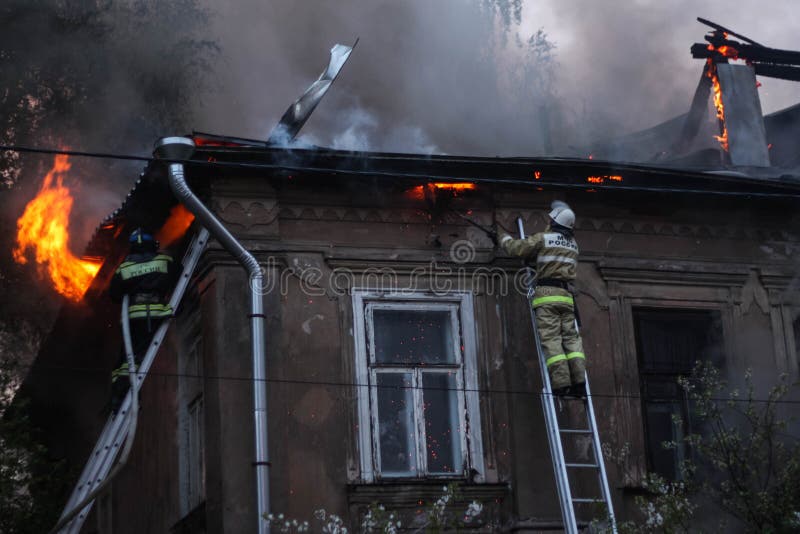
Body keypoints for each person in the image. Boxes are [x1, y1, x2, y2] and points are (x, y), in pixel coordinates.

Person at [497, 201, 587, 398]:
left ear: (553, 221)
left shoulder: (543, 239)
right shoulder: (573, 246)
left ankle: (561, 384)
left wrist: (502, 238)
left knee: (552, 340)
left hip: (547, 296)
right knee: (572, 341)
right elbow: (553, 260)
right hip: (566, 299)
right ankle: (580, 382)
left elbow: (516, 249)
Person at [108, 228, 180, 412]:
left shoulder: (124, 267)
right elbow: (178, 275)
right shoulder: (165, 260)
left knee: (126, 361)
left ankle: (120, 400)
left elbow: (114, 294)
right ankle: (129, 396)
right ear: (152, 245)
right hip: (157, 315)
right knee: (141, 356)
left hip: (134, 319)